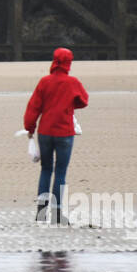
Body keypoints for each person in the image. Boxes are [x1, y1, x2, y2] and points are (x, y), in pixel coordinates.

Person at [23, 47, 89, 224]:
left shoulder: (44, 82)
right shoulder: (72, 82)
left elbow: (33, 107)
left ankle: (41, 212)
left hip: (45, 131)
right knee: (60, 171)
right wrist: (69, 104)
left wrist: (29, 127)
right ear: (69, 63)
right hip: (65, 133)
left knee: (46, 169)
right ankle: (58, 213)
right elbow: (84, 101)